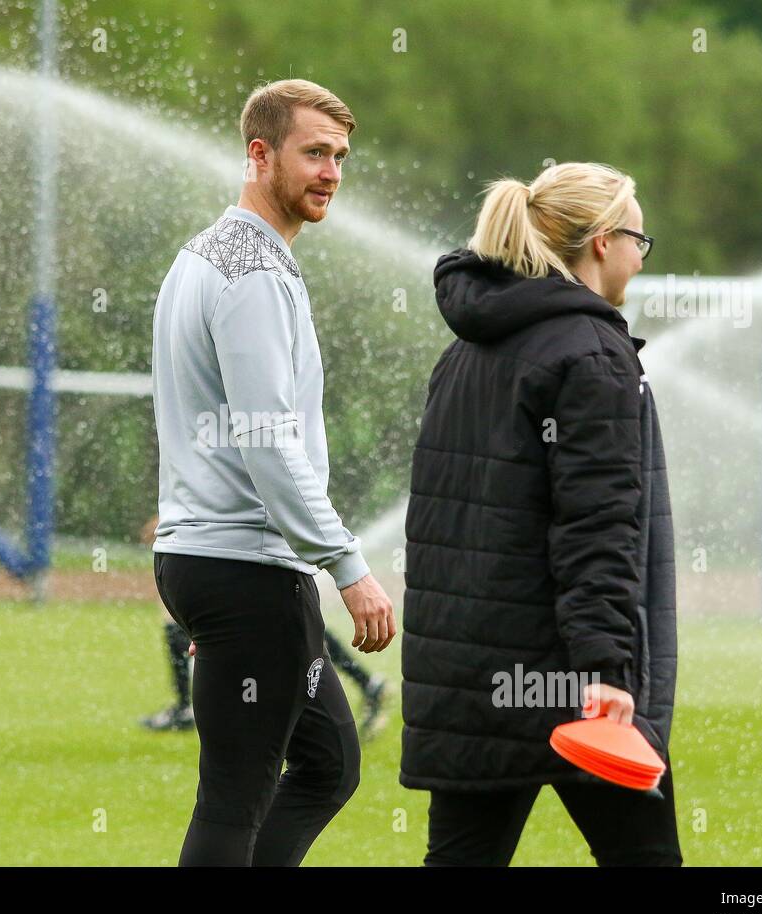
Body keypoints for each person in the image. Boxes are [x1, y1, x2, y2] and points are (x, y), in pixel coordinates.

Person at [401, 162, 682, 866]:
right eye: (639, 242)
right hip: (568, 676)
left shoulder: (466, 349)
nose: (639, 262)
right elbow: (597, 527)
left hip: (471, 668)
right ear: (601, 242)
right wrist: (608, 671)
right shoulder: (593, 355)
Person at [150, 79, 396, 866]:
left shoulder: (207, 254)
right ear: (259, 155)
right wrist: (349, 566)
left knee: (328, 763)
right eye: (313, 153)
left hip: (214, 563)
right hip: (244, 567)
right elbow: (267, 442)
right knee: (234, 797)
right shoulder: (252, 272)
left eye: (340, 157)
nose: (331, 172)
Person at [136, 516, 389, 738]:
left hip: (261, 550)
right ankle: (364, 685)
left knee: (299, 626)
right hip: (252, 548)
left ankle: (198, 708)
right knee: (299, 625)